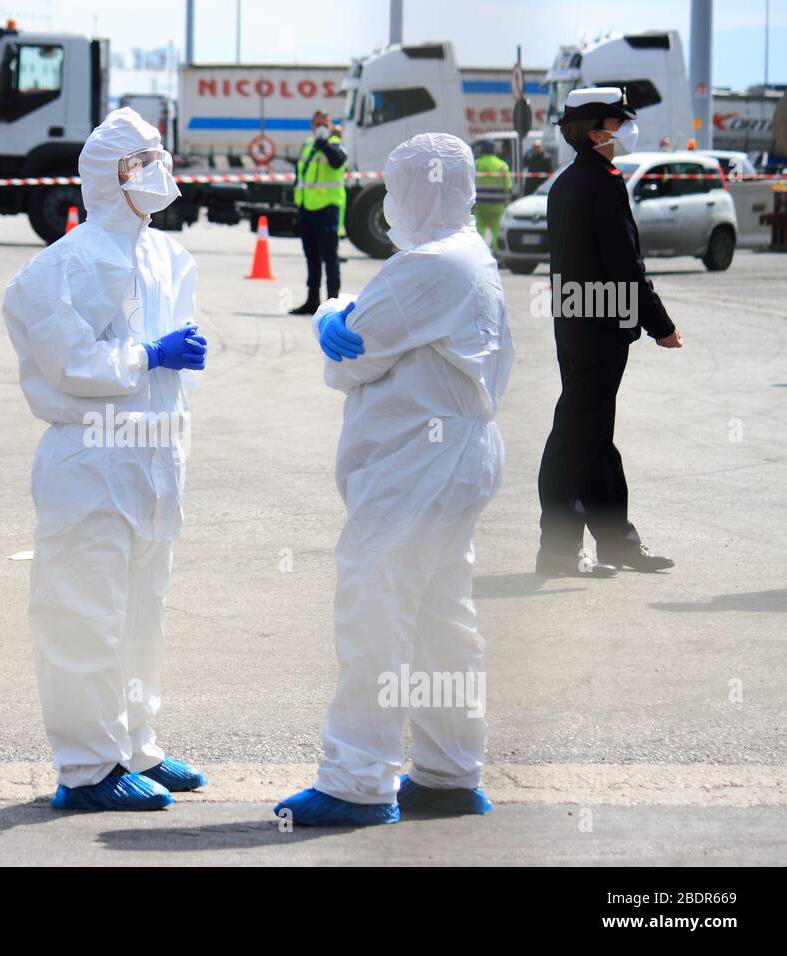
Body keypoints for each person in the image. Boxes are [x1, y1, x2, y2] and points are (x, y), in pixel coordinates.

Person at [274, 133, 515, 827]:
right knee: (441, 618)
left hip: (419, 464)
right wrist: (342, 317)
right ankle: (447, 771)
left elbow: (354, 358)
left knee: (375, 609)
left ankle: (357, 780)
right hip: (454, 458)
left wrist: (327, 318)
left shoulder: (429, 265)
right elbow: (371, 326)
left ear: (410, 190)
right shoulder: (470, 256)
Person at [2, 108, 210, 811]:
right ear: (110, 176)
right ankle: (88, 768)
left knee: (142, 614)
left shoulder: (164, 255)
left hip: (151, 465)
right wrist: (148, 355)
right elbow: (67, 364)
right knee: (83, 613)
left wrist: (172, 359)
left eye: (160, 155)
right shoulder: (63, 265)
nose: (160, 169)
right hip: (90, 466)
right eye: (143, 159)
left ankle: (135, 745)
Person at [536, 88, 682, 577]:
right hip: (599, 326)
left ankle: (616, 542)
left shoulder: (571, 182)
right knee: (576, 439)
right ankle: (557, 550)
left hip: (577, 322)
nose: (626, 131)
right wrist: (659, 323)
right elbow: (625, 264)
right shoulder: (600, 184)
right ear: (596, 132)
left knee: (594, 437)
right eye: (619, 123)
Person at [289, 110, 348, 315]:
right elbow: (301, 174)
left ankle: (332, 303)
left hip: (327, 209)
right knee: (311, 257)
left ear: (331, 126)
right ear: (311, 126)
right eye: (317, 124)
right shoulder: (308, 144)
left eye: (325, 124)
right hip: (306, 208)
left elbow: (337, 161)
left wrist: (324, 143)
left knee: (330, 257)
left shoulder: (336, 144)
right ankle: (312, 299)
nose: (320, 128)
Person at [473, 139, 511, 251]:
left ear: (482, 151)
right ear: (494, 150)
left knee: (479, 229)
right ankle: (497, 253)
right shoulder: (502, 165)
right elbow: (508, 186)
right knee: (496, 230)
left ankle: (478, 252)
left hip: (480, 204)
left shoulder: (476, 164)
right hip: (497, 205)